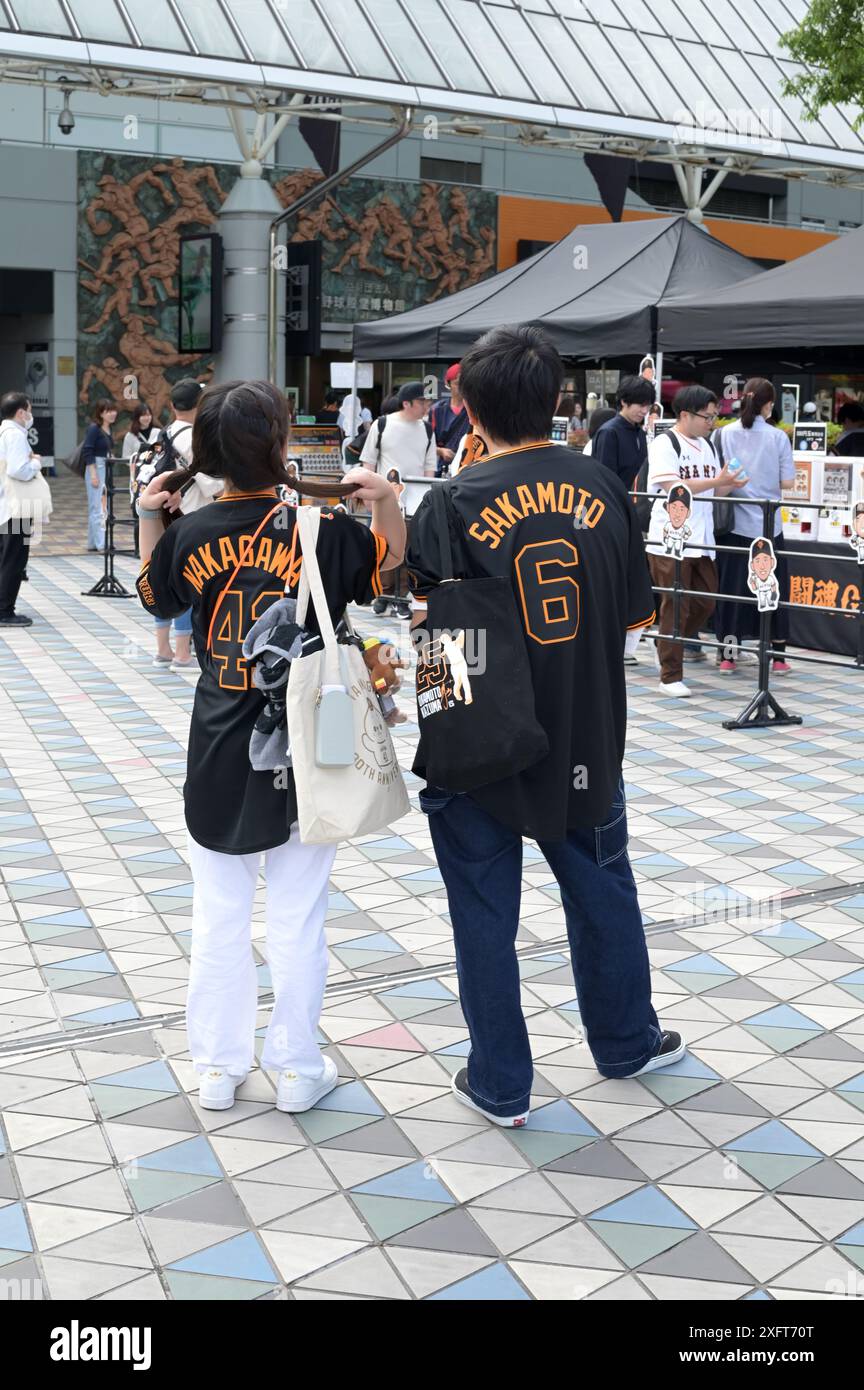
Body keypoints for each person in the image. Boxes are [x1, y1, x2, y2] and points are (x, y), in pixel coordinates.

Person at [406, 324, 684, 1128]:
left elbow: (432, 628)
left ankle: (502, 1085)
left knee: (484, 913)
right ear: (557, 398)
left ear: (467, 407)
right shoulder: (601, 487)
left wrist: (441, 731)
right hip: (586, 735)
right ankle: (625, 1041)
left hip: (479, 742)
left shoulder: (453, 499)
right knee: (602, 891)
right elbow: (637, 612)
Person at [135, 379, 405, 1114]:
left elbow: (156, 599)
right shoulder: (323, 527)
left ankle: (218, 1069)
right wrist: (384, 495)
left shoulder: (191, 530)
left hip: (220, 742)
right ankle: (295, 1069)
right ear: (281, 444)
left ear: (212, 455)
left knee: (217, 914)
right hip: (310, 741)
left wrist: (148, 514)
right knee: (299, 913)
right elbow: (389, 569)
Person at [645, 385, 746, 698]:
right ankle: (670, 675)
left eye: (715, 417)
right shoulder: (666, 442)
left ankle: (666, 640)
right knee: (676, 603)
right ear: (685, 414)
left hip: (702, 537)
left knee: (706, 602)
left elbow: (714, 492)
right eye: (707, 416)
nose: (711, 422)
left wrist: (730, 483)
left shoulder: (709, 446)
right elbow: (674, 486)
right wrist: (718, 481)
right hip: (671, 537)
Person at [714, 378, 797, 675]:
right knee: (773, 588)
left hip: (735, 523)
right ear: (769, 403)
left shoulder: (723, 434)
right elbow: (787, 482)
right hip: (769, 525)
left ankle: (728, 656)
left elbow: (720, 475)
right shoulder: (778, 437)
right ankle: (777, 658)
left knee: (733, 588)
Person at [0, 391, 43, 627]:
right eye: (29, 410)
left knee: (5, 558)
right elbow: (18, 470)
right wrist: (36, 462)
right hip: (16, 508)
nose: (31, 415)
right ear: (20, 412)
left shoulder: (3, 432)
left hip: (5, 506)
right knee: (14, 560)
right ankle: (5, 610)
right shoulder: (15, 435)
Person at [360, 381, 437, 477]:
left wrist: (426, 490)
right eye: (421, 402)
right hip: (386, 490)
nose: (426, 407)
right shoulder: (381, 425)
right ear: (406, 404)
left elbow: (429, 467)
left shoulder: (427, 429)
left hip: (418, 490)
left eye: (427, 403)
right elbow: (369, 463)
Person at [592, 376, 655, 487]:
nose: (645, 411)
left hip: (637, 500)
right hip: (614, 501)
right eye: (641, 405)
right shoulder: (609, 432)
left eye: (648, 406)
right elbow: (604, 478)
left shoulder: (639, 432)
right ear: (624, 402)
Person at [81, 399, 118, 552]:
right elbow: (87, 451)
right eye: (108, 411)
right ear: (101, 413)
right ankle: (101, 543)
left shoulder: (108, 429)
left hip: (104, 468)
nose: (112, 414)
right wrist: (93, 474)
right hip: (96, 469)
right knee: (99, 507)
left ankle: (92, 543)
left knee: (97, 506)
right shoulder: (94, 429)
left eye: (113, 410)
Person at [431, 364, 470, 477]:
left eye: (465, 384)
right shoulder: (437, 410)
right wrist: (440, 451)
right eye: (457, 384)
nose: (461, 388)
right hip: (441, 465)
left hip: (466, 464)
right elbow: (426, 442)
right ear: (448, 384)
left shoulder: (473, 409)